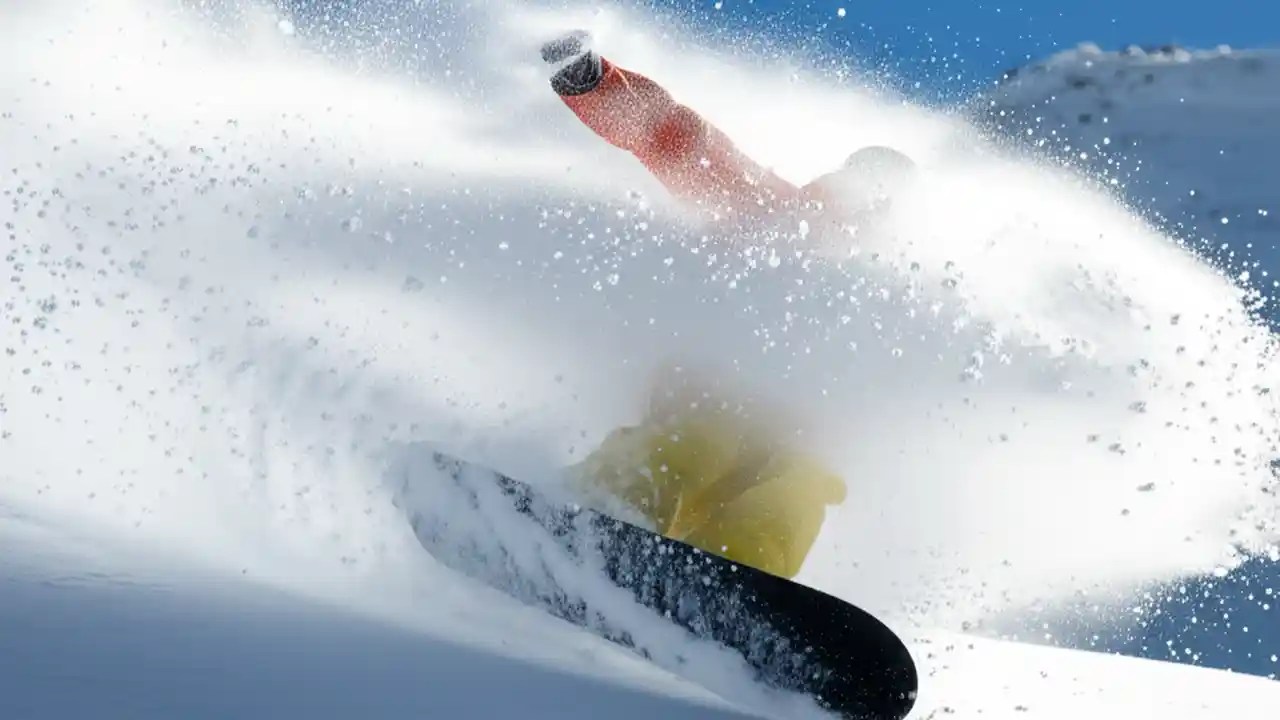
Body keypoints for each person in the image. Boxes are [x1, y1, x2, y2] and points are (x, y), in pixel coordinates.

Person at [541, 33, 896, 579]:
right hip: (711, 391)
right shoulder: (769, 211)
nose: (861, 205)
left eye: (882, 198)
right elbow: (677, 138)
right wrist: (595, 82)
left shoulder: (895, 296)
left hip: (800, 427)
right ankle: (598, 511)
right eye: (858, 184)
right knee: (700, 444)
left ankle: (734, 580)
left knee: (800, 484)